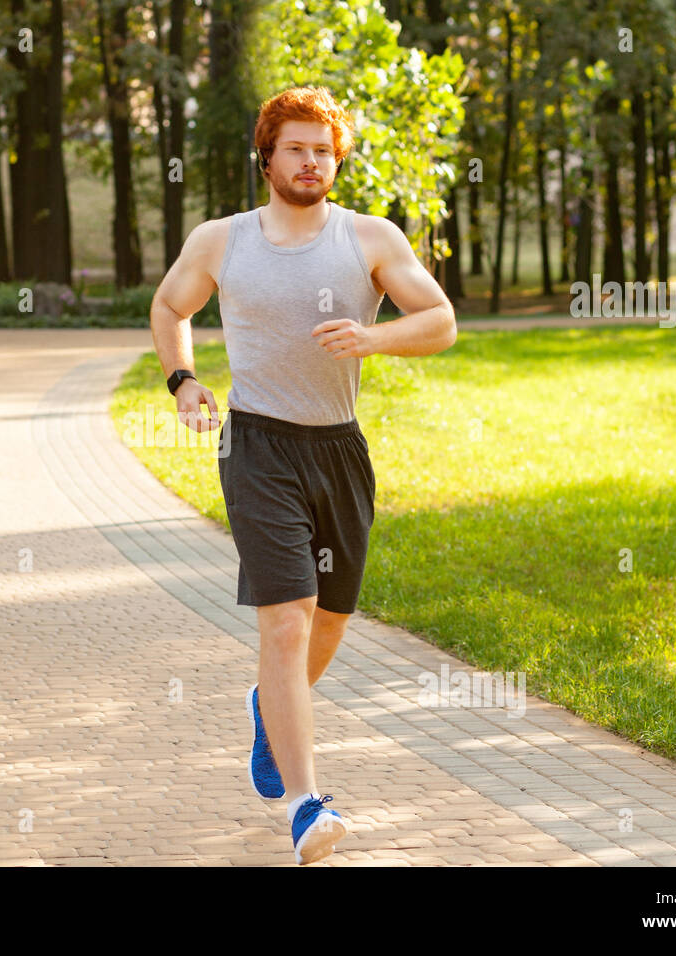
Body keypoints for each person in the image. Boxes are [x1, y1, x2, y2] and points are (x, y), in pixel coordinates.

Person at [149, 86, 457, 864]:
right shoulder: (223, 240)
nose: (311, 161)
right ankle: (306, 804)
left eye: (323, 149)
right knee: (286, 621)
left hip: (339, 451)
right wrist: (182, 382)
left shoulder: (370, 238)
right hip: (256, 446)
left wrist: (372, 339)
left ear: (337, 158)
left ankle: (267, 708)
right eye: (296, 147)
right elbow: (168, 306)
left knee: (329, 623)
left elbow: (441, 321)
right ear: (267, 155)